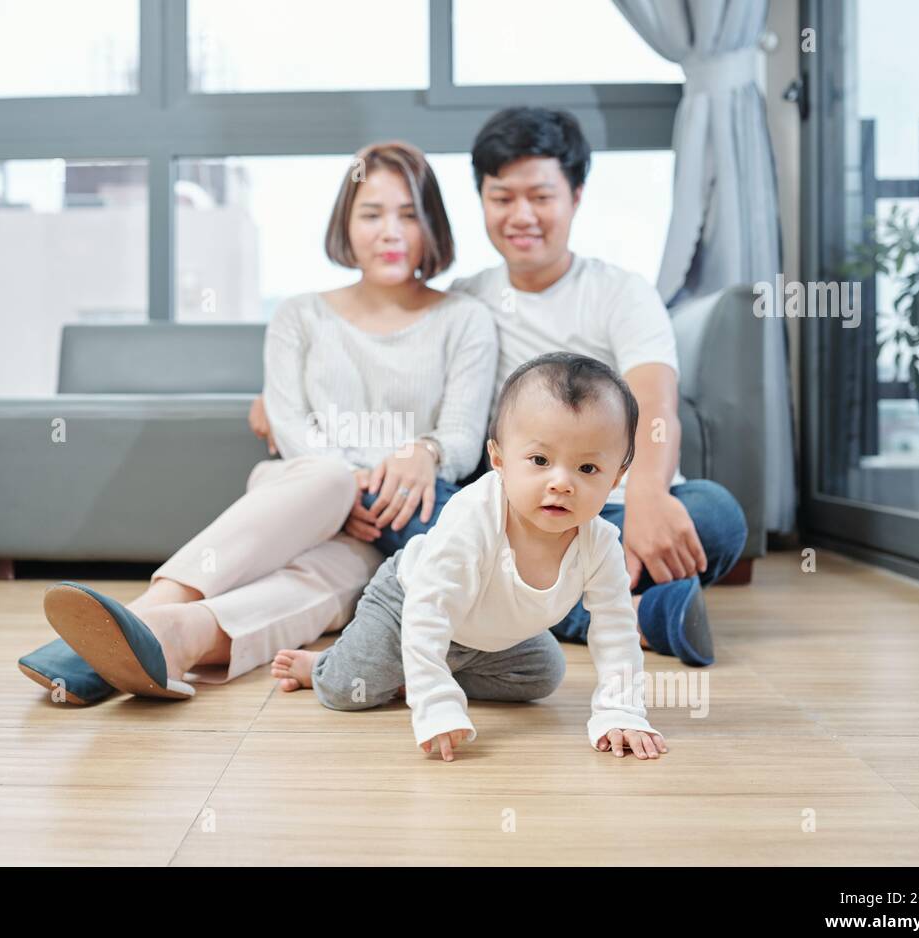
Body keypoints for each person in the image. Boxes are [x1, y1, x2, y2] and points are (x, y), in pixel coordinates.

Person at [250, 107, 747, 666]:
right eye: (502, 197)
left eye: (540, 196)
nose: (522, 216)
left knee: (718, 515)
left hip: (614, 507)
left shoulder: (620, 292)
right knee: (409, 503)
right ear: (481, 200)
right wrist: (279, 398)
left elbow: (655, 406)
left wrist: (650, 495)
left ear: (576, 197)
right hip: (511, 517)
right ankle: (638, 614)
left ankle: (578, 597)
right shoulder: (466, 301)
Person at [16, 141, 499, 704]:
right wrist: (354, 486)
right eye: (371, 214)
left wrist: (425, 452)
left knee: (345, 575)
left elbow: (464, 438)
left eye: (409, 214)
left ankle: (175, 639)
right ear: (346, 223)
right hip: (301, 493)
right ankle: (148, 612)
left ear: (433, 225)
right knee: (329, 477)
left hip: (383, 524)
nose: (390, 231)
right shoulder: (299, 315)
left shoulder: (466, 320)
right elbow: (291, 428)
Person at [271, 353, 668, 762]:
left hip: (487, 636)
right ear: (498, 459)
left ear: (617, 477)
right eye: (539, 461)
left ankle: (427, 666)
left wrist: (621, 711)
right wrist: (437, 703)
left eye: (587, 468)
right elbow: (430, 609)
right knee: (345, 690)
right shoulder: (474, 516)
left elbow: (617, 629)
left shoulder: (600, 544)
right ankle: (324, 665)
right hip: (411, 602)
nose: (561, 483)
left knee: (542, 675)